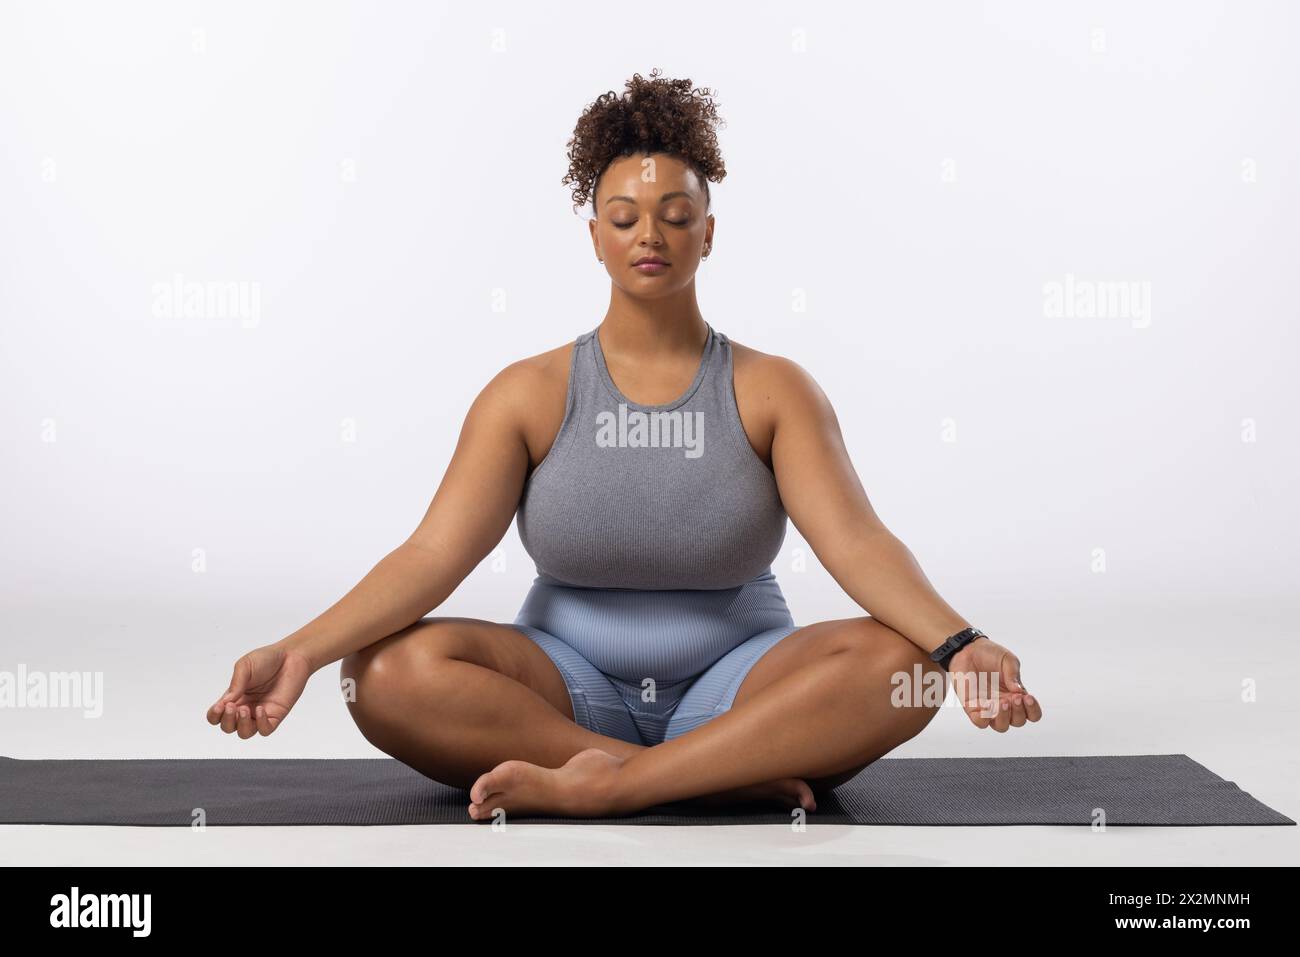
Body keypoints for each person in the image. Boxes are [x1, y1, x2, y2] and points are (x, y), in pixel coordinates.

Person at [206, 69, 1042, 820]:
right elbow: (432, 551)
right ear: (596, 236)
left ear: (708, 234)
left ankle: (618, 784)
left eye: (677, 216)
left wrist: (961, 643)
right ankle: (696, 777)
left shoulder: (774, 389)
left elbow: (857, 542)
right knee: (379, 674)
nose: (651, 234)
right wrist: (303, 650)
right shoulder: (528, 393)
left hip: (743, 687)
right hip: (564, 693)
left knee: (907, 668)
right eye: (625, 217)